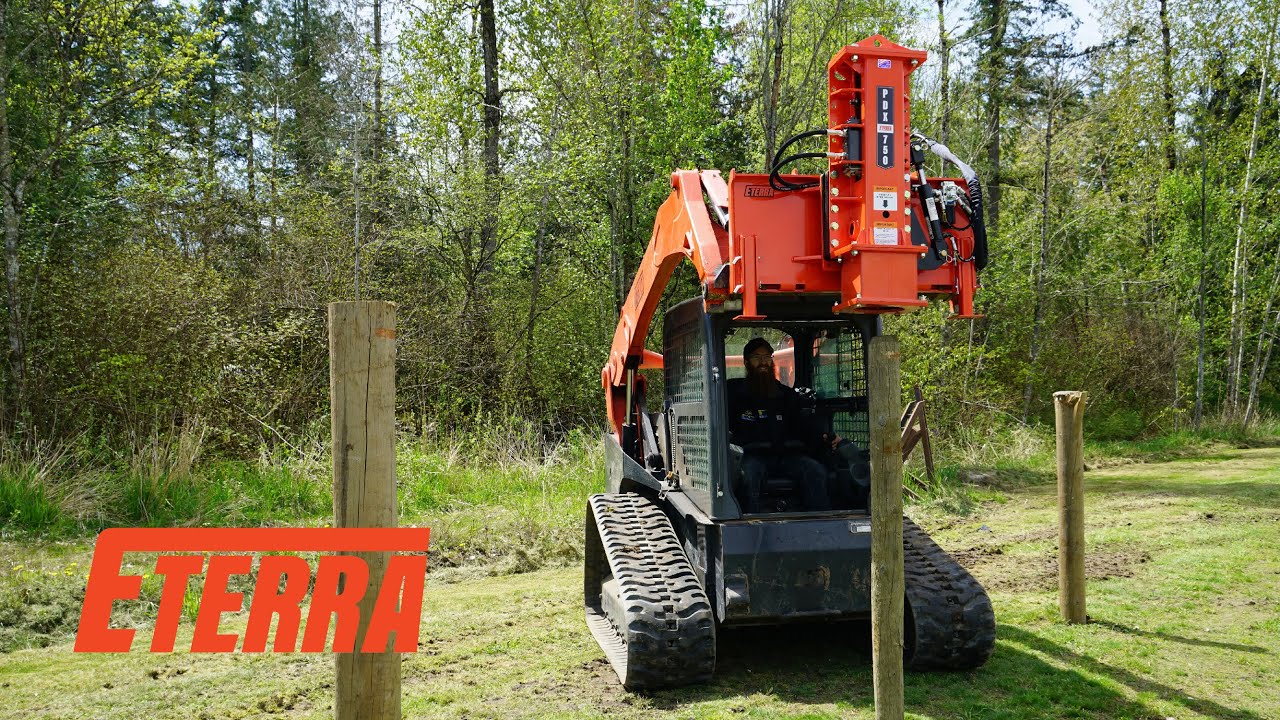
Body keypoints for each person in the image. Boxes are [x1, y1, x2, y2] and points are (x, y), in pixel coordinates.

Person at [726, 337, 839, 512]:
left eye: (767, 357)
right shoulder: (734, 394)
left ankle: (820, 521)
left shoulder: (785, 395)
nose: (763, 362)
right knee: (748, 476)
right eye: (757, 357)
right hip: (752, 456)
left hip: (785, 456)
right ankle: (751, 525)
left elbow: (802, 425)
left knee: (815, 470)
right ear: (747, 362)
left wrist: (823, 436)